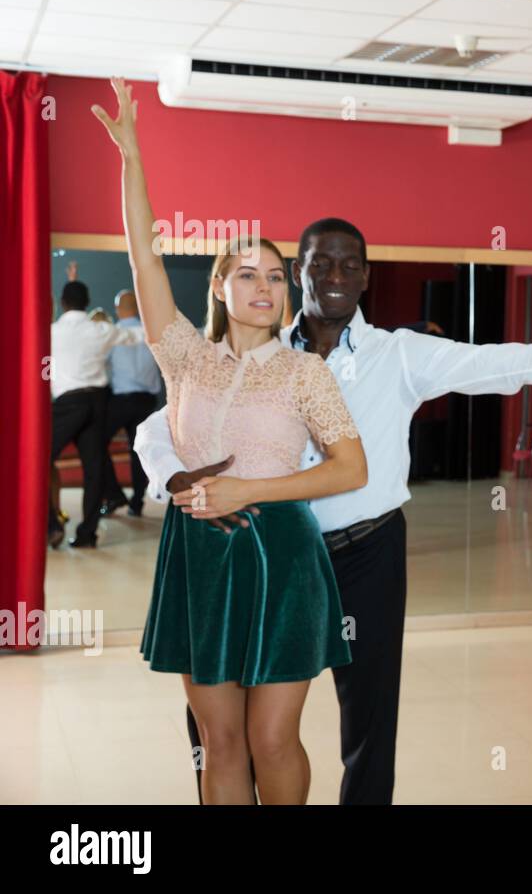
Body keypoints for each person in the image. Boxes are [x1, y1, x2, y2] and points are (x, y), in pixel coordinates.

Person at [137, 217, 532, 804]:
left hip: (366, 551)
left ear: (366, 277)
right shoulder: (257, 344)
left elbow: (505, 363)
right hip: (268, 553)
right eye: (319, 264)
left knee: (366, 717)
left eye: (349, 264)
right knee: (220, 726)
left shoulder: (400, 353)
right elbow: (159, 429)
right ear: (298, 274)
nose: (335, 275)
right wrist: (172, 479)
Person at [93, 77, 369, 804]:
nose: (263, 287)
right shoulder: (184, 355)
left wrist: (251, 489)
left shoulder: (307, 374)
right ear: (219, 287)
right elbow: (142, 260)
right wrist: (133, 159)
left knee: (272, 738)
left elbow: (350, 470)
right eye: (246, 274)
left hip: (282, 556)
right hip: (199, 558)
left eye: (276, 278)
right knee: (217, 740)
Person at [49, 270, 144, 548]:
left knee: (39, 458)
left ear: (64, 303)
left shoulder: (52, 332)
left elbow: (44, 369)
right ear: (87, 303)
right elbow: (135, 336)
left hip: (68, 403)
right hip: (97, 402)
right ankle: (86, 534)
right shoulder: (101, 330)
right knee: (94, 469)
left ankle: (50, 525)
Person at [100, 289, 163, 518]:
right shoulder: (150, 333)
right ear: (136, 308)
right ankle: (137, 503)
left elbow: (102, 367)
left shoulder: (112, 334)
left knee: (95, 444)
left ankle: (114, 493)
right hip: (147, 402)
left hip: (121, 401)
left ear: (118, 309)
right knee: (139, 451)